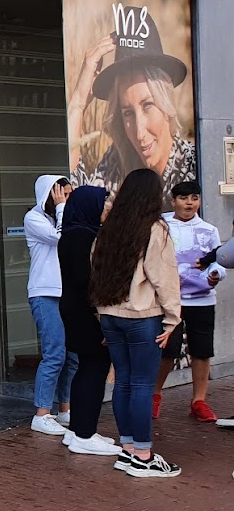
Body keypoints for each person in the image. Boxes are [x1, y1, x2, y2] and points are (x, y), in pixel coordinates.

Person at [90, 168, 183, 477]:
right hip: (143, 316)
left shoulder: (108, 228)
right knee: (142, 384)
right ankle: (143, 456)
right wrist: (173, 318)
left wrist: (102, 313)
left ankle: (128, 450)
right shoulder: (155, 229)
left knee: (124, 382)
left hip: (110, 315)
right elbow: (164, 278)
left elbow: (96, 272)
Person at [68, 11, 196, 203]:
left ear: (166, 103)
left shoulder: (192, 164)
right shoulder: (117, 164)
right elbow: (76, 206)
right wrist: (78, 104)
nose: (139, 132)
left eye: (148, 105)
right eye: (128, 113)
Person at [153, 181, 226, 422]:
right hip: (168, 301)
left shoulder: (209, 230)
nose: (189, 203)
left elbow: (219, 261)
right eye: (184, 198)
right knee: (167, 350)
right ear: (173, 201)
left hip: (203, 299)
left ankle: (199, 401)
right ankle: (154, 395)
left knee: (201, 351)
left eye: (195, 198)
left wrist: (215, 275)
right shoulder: (160, 226)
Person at [56, 186, 119, 455]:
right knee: (95, 366)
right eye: (103, 203)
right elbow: (87, 281)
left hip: (75, 308)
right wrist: (100, 316)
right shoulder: (84, 236)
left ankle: (78, 430)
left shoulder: (73, 233)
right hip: (86, 311)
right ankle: (84, 433)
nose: (108, 208)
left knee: (86, 366)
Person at [25, 175, 76, 435]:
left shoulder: (61, 217)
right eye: (62, 194)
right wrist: (61, 207)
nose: (66, 199)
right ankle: (42, 414)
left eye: (69, 195)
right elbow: (61, 238)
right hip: (44, 293)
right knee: (54, 353)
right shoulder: (33, 218)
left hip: (67, 293)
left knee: (72, 355)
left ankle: (65, 409)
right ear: (49, 195)